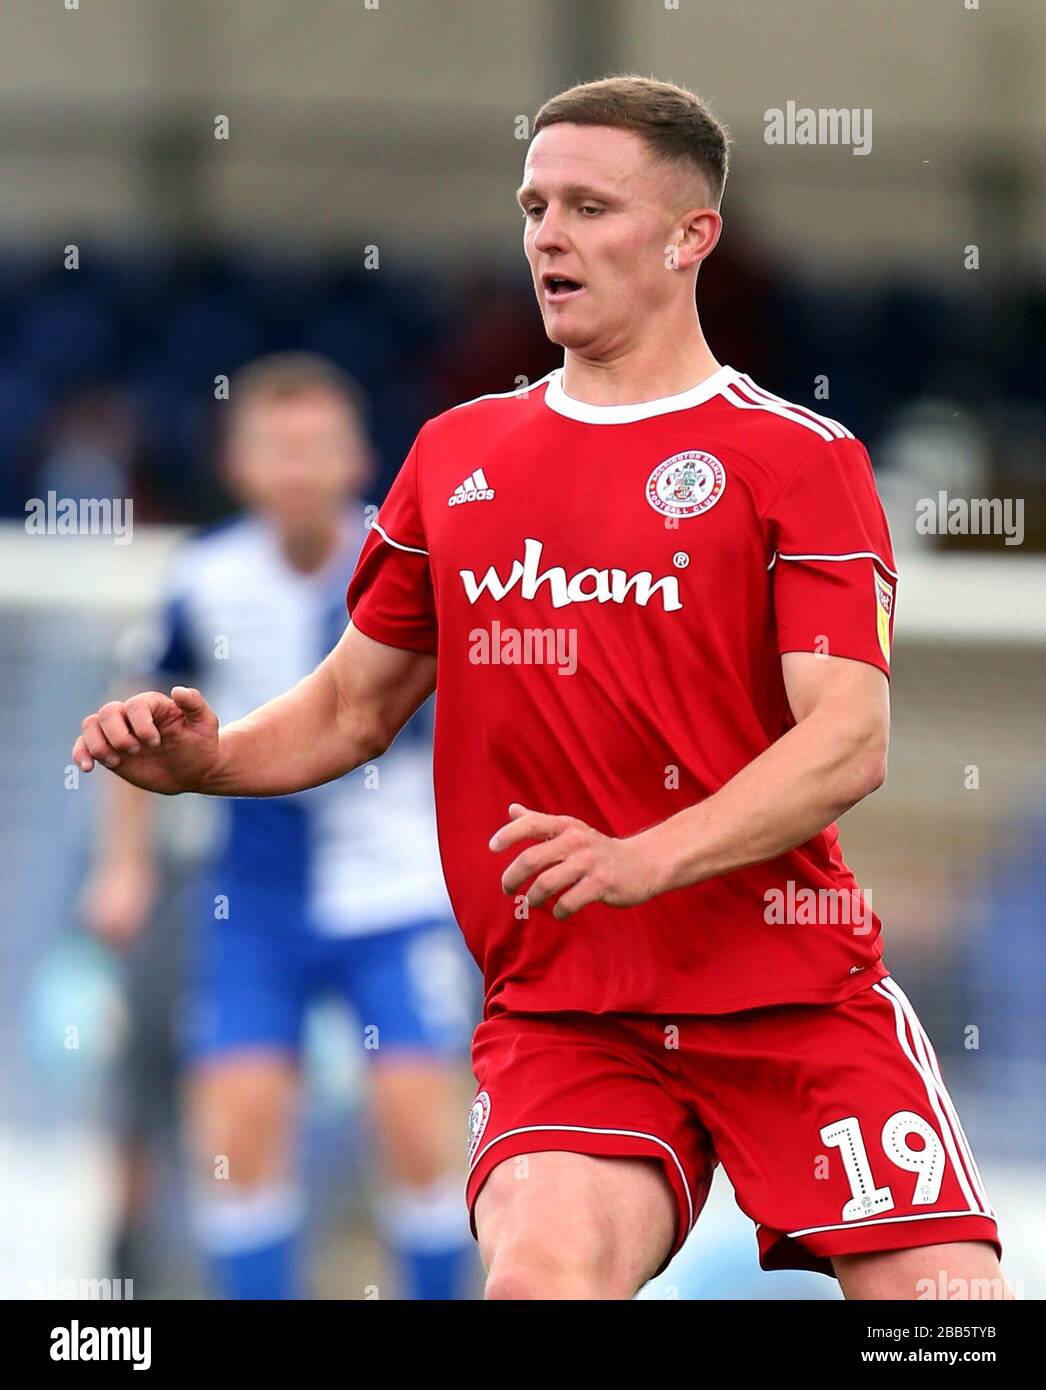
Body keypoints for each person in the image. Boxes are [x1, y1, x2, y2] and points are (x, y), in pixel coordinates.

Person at [72, 77, 1008, 1300]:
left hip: (791, 994)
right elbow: (353, 708)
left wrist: (644, 855)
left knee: (943, 1314)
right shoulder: (457, 456)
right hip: (569, 1013)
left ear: (689, 237)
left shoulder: (797, 458)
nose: (547, 236)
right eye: (532, 206)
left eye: (586, 206)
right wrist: (204, 758)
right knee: (536, 1284)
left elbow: (846, 741)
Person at [79, 353, 477, 1300]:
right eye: (276, 448)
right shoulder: (204, 579)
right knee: (240, 1124)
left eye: (318, 447)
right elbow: (133, 715)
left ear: (359, 458)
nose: (298, 467)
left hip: (397, 892)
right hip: (251, 899)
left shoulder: (417, 558)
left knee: (417, 1120)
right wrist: (124, 868)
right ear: (238, 465)